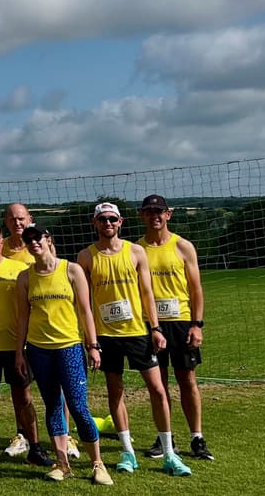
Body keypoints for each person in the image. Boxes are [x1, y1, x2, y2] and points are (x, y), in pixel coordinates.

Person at [76, 202, 192, 477]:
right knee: (115, 391)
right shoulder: (86, 257)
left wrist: (156, 328)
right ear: (95, 223)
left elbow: (147, 293)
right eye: (102, 219)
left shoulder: (136, 251)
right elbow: (84, 304)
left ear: (121, 222)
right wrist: (91, 342)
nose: (108, 223)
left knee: (158, 389)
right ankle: (128, 451)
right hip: (107, 336)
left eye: (112, 219)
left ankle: (169, 453)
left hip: (138, 332)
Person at [14, 226, 113, 485]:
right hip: (38, 350)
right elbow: (23, 318)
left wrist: (92, 345)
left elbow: (85, 311)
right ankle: (62, 463)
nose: (33, 243)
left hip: (69, 347)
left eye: (38, 238)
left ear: (48, 240)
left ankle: (97, 463)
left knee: (79, 407)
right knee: (53, 405)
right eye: (28, 240)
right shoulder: (25, 277)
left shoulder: (71, 270)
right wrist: (19, 353)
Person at [136, 194, 213, 461]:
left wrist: (197, 324)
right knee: (159, 385)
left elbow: (196, 289)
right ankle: (166, 437)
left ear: (169, 214)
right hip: (149, 325)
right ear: (141, 216)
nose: (155, 216)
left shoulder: (183, 246)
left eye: (160, 211)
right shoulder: (136, 249)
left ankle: (197, 437)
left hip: (180, 323)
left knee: (188, 380)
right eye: (149, 212)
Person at [0, 224, 52, 470]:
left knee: (24, 398)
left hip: (18, 348)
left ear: (2, 244)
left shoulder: (19, 269)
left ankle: (35, 447)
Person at [1, 204, 78, 460]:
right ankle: (22, 434)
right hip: (19, 332)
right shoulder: (0, 248)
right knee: (21, 389)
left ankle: (65, 438)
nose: (17, 222)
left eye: (21, 218)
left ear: (30, 219)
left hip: (55, 334)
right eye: (12, 219)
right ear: (6, 222)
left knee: (62, 390)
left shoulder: (43, 248)